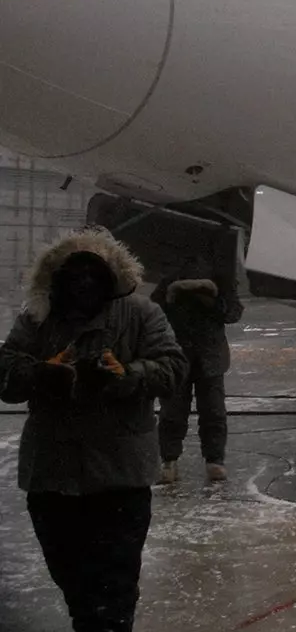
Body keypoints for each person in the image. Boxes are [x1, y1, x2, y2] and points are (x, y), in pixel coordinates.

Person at [0, 227, 187, 632]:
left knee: (114, 593)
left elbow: (172, 367)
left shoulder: (140, 313)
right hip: (52, 477)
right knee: (75, 586)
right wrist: (40, 374)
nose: (83, 284)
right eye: (74, 275)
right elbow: (5, 372)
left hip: (119, 478)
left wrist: (126, 376)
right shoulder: (38, 316)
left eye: (93, 274)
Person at [153, 275, 243, 483]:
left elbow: (233, 312)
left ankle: (214, 460)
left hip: (210, 356)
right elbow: (155, 311)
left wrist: (211, 300)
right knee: (172, 411)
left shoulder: (221, 278)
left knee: (213, 410)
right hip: (177, 354)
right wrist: (170, 298)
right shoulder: (169, 277)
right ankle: (169, 460)